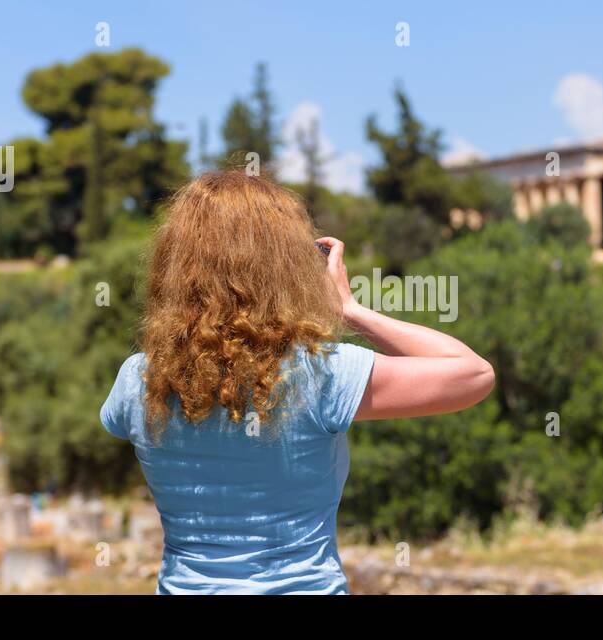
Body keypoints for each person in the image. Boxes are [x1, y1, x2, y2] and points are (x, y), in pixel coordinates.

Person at [99, 171, 494, 594]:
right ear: (286, 267)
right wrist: (350, 310)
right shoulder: (320, 373)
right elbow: (473, 374)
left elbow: (116, 422)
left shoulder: (137, 378)